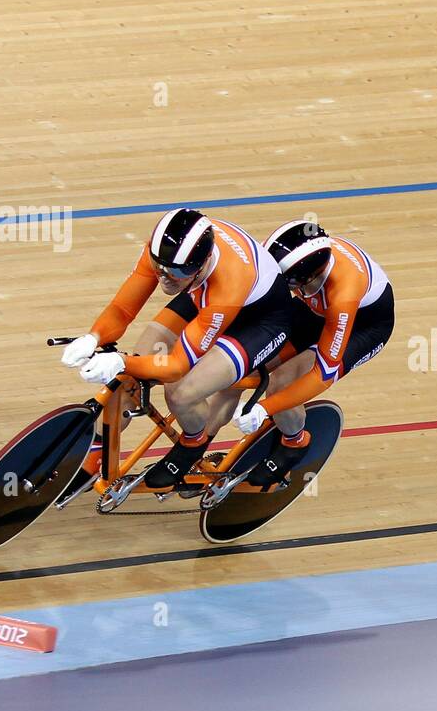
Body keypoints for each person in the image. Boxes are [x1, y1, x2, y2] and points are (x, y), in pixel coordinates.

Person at [57, 208, 293, 500]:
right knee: (129, 379)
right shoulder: (169, 258)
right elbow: (122, 308)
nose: (165, 279)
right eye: (159, 269)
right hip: (199, 290)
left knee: (181, 392)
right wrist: (94, 337)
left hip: (260, 321)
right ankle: (96, 451)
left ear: (204, 261)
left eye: (176, 271)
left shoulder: (227, 282)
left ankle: (192, 445)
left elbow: (177, 366)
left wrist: (120, 359)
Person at [233, 219, 395, 485]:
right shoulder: (297, 263)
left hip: (362, 327)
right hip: (316, 310)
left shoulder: (344, 292)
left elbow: (324, 373)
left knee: (280, 384)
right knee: (251, 361)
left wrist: (264, 408)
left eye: (292, 285)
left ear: (308, 277)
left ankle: (295, 442)